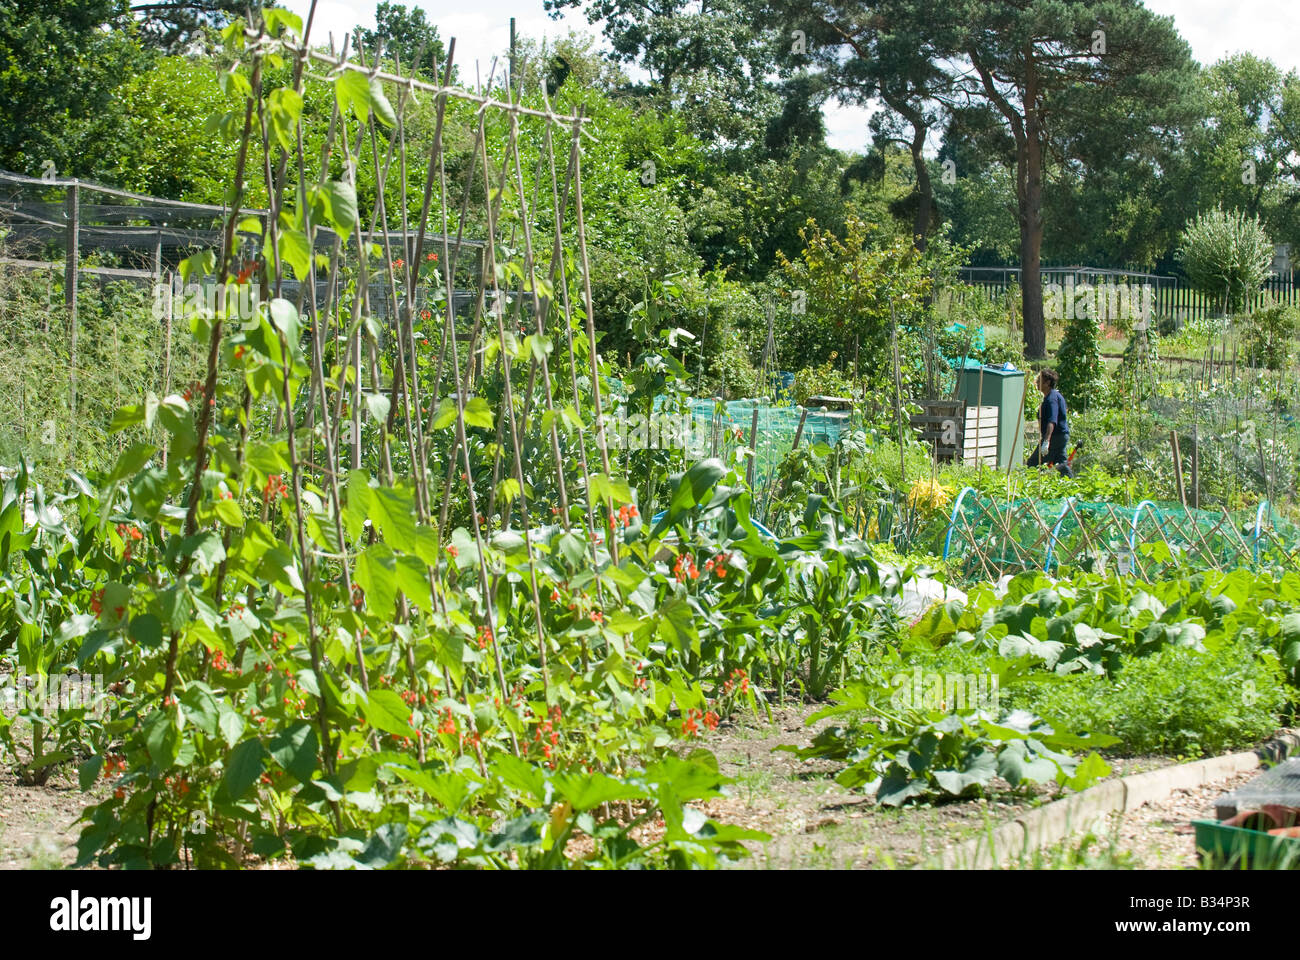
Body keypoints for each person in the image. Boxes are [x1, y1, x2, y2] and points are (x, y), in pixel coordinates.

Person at [1027, 368, 1072, 477]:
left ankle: (1036, 485)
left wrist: (1046, 441)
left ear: (1047, 383)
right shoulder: (1052, 396)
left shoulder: (1052, 399)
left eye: (1039, 380)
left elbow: (1052, 421)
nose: (1037, 383)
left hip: (1055, 437)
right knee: (1062, 465)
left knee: (1033, 464)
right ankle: (1070, 485)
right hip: (1061, 436)